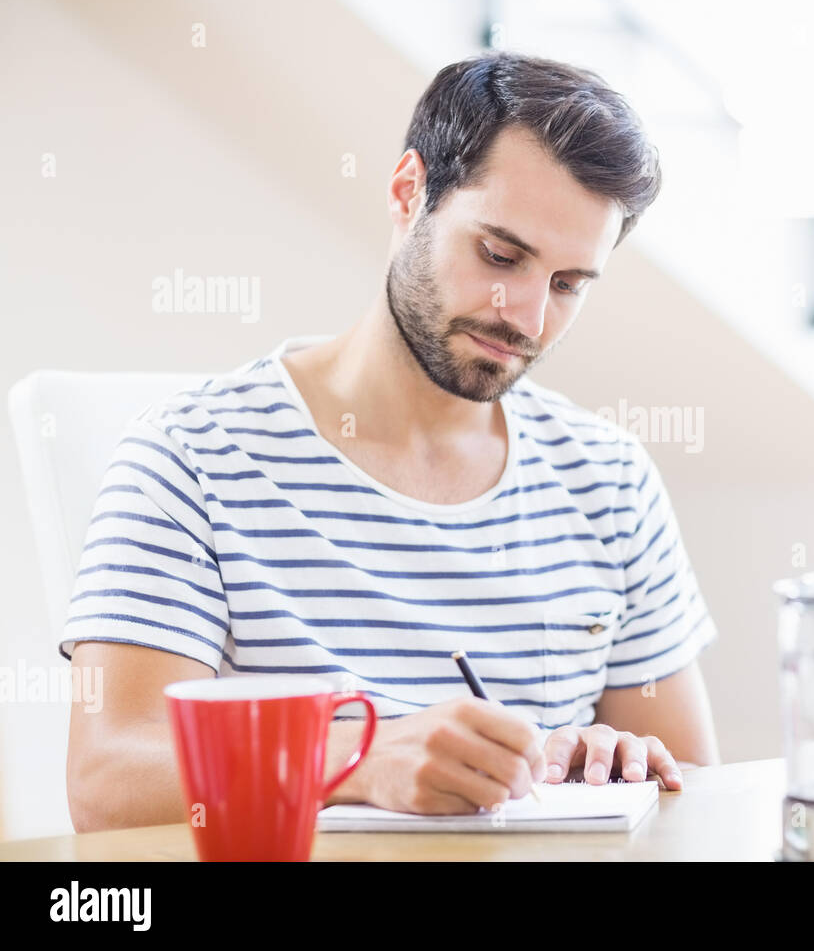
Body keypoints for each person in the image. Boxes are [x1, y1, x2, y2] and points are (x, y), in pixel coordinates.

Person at [64, 51, 720, 831]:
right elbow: (108, 779)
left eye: (569, 284)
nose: (528, 318)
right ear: (409, 191)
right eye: (500, 255)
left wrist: (626, 764)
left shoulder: (610, 481)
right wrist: (361, 760)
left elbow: (698, 792)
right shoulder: (191, 458)